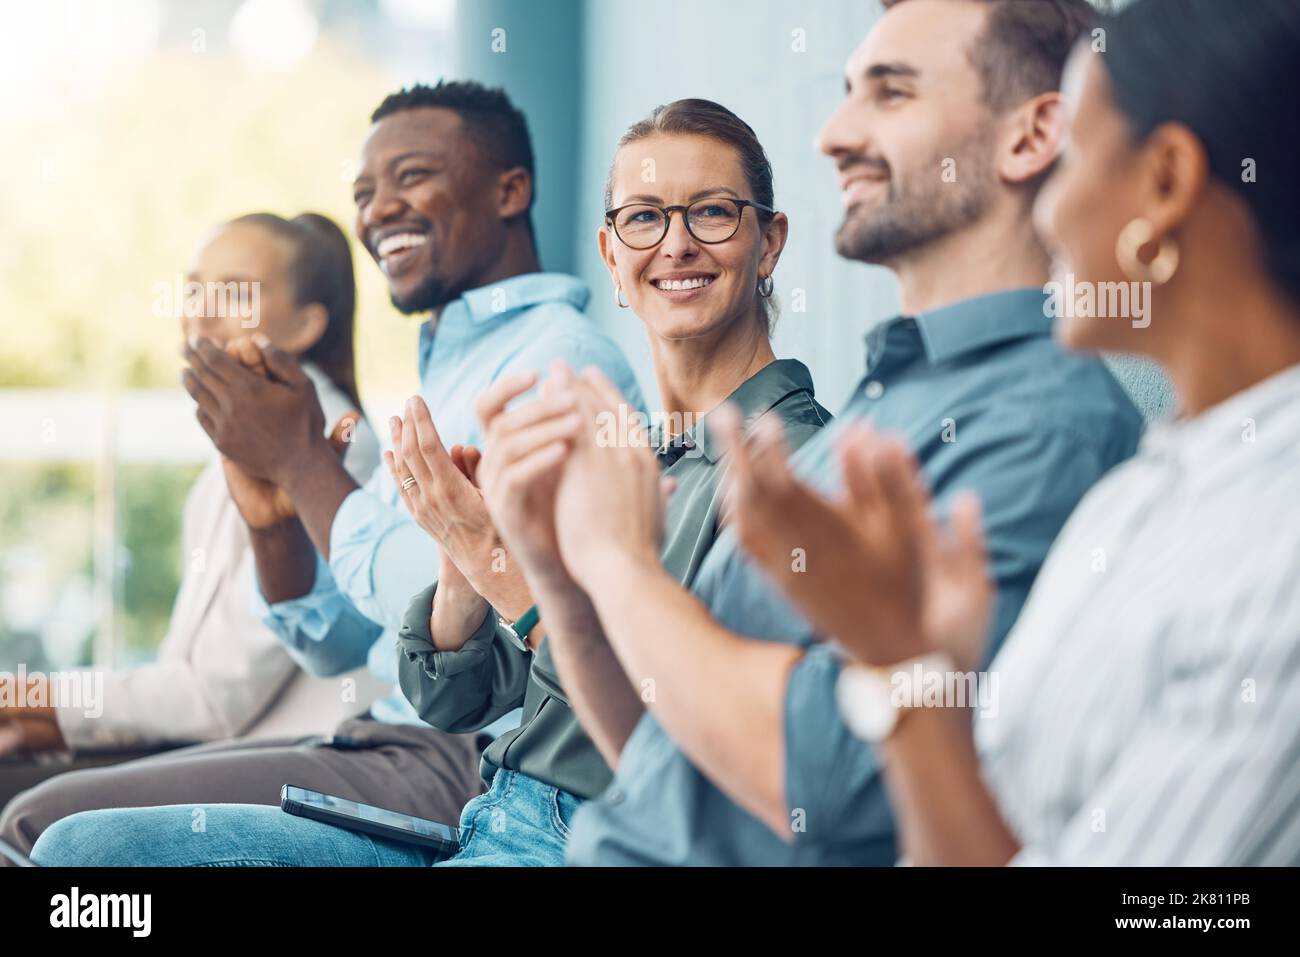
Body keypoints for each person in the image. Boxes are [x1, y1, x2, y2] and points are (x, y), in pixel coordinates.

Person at [25, 99, 832, 867]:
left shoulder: (795, 467)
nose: (677, 244)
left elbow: (683, 740)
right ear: (612, 256)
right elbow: (460, 696)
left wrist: (490, 555)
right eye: (646, 217)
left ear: (768, 243)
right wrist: (458, 566)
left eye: (714, 212)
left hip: (582, 834)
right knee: (76, 851)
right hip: (491, 805)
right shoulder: (637, 448)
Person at [472, 0, 1144, 866]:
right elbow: (662, 748)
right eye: (846, 93)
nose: (831, 135)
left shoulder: (1045, 427)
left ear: (1030, 135)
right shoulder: (881, 405)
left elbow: (835, 787)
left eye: (890, 94)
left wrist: (613, 562)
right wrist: (563, 586)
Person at [724, 0, 1300, 866]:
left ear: (1168, 182)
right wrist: (915, 667)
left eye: (1073, 162)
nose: (1046, 212)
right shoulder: (1142, 493)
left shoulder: (1274, 551)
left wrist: (898, 664)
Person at [0, 212, 385, 856]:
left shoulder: (336, 450)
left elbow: (214, 699)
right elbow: (192, 678)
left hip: (284, 771)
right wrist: (36, 718)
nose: (200, 316)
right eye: (193, 290)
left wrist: (31, 700)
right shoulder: (231, 457)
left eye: (233, 295)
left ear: (308, 324)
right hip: (222, 749)